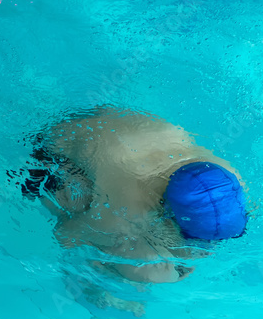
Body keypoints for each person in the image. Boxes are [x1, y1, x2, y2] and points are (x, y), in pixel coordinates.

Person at [22, 107, 249, 284]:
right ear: (165, 210)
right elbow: (65, 234)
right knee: (81, 216)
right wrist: (118, 264)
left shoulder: (230, 178)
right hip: (52, 146)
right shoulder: (122, 212)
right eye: (196, 241)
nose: (208, 252)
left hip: (108, 116)